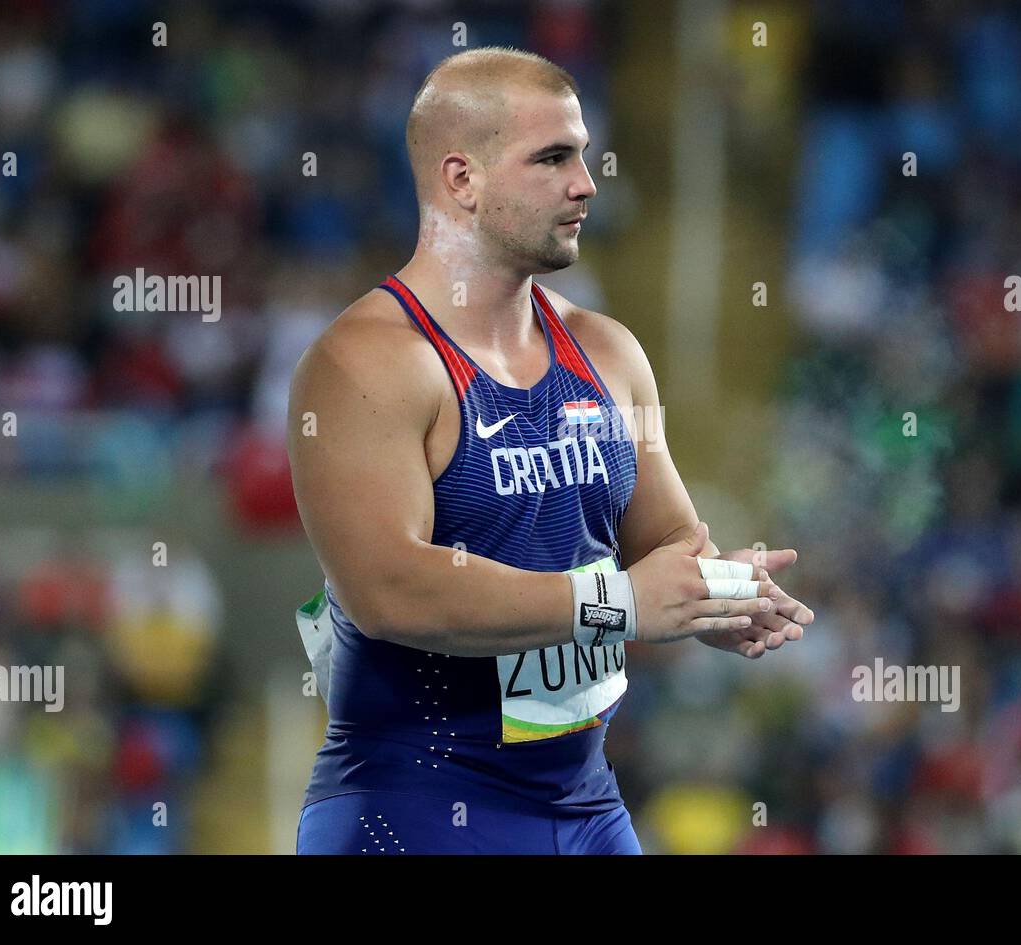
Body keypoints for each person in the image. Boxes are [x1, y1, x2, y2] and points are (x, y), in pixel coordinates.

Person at [288, 47, 814, 854]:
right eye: (553, 157)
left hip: (587, 808)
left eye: (584, 154)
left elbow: (667, 539)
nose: (587, 183)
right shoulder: (367, 362)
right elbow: (386, 589)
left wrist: (712, 591)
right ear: (462, 180)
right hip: (414, 808)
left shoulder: (607, 351)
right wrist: (621, 604)